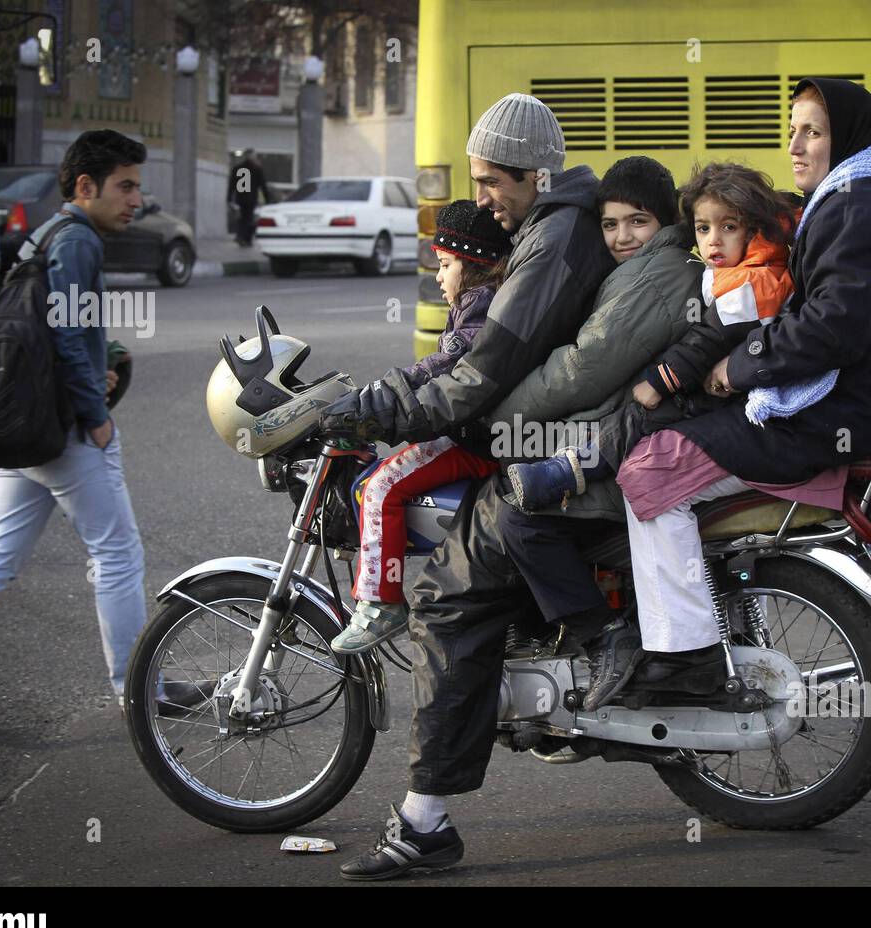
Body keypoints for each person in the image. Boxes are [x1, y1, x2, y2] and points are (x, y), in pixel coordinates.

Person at [327, 92, 614, 880]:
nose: (482, 199)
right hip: (550, 436)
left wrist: (391, 415)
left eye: (492, 181)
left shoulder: (552, 241)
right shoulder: (548, 227)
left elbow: (485, 369)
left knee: (447, 600)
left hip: (546, 449)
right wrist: (393, 399)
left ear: (535, 173)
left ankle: (425, 825)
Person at [613, 77, 871, 690]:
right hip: (842, 407)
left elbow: (832, 328)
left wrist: (738, 367)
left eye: (812, 132)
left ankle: (686, 657)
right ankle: (726, 619)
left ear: (846, 142)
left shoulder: (858, 209)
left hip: (827, 416)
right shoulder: (851, 201)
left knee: (650, 469)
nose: (794, 145)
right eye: (792, 130)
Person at [0, 130, 149, 734]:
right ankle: (135, 688)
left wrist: (109, 354)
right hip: (63, 429)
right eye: (125, 186)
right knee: (118, 553)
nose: (135, 199)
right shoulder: (78, 243)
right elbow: (68, 335)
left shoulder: (40, 239)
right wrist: (94, 418)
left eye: (137, 187)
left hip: (29, 425)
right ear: (85, 186)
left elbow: (52, 325)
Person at [505, 162, 801, 517]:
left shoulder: (752, 283)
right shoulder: (736, 272)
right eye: (703, 228)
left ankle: (566, 473)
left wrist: (660, 380)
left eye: (729, 228)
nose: (713, 241)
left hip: (730, 399)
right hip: (724, 390)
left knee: (640, 418)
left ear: (753, 231)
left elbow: (709, 339)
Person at [330, 201, 513, 653]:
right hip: (479, 432)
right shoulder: (481, 300)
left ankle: (380, 602)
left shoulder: (481, 304)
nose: (438, 275)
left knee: (381, 484)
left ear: (473, 266)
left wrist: (391, 390)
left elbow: (446, 364)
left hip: (475, 439)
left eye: (446, 264)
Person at [227, 148, 270, 247]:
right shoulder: (256, 169)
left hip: (241, 197)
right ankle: (245, 238)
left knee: (243, 217)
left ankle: (241, 236)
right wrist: (267, 199)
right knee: (249, 218)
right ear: (252, 156)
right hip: (251, 198)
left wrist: (229, 198)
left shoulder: (237, 168)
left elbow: (232, 184)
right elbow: (263, 185)